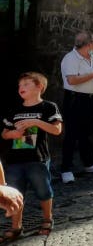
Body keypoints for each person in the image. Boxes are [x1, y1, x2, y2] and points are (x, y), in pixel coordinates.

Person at [2, 72, 63, 240]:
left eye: (26, 84)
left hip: (38, 158)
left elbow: (57, 130)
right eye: (20, 85)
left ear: (39, 87)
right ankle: (16, 227)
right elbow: (4, 134)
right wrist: (13, 134)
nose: (21, 87)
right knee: (15, 193)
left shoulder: (48, 107)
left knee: (43, 190)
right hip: (15, 160)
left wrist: (35, 122)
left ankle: (47, 218)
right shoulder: (15, 109)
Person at [60, 31, 93, 184]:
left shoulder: (90, 57)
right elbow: (72, 80)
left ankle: (90, 163)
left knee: (87, 132)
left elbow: (90, 74)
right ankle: (66, 169)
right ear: (88, 44)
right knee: (71, 134)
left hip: (90, 98)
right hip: (76, 99)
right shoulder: (70, 58)